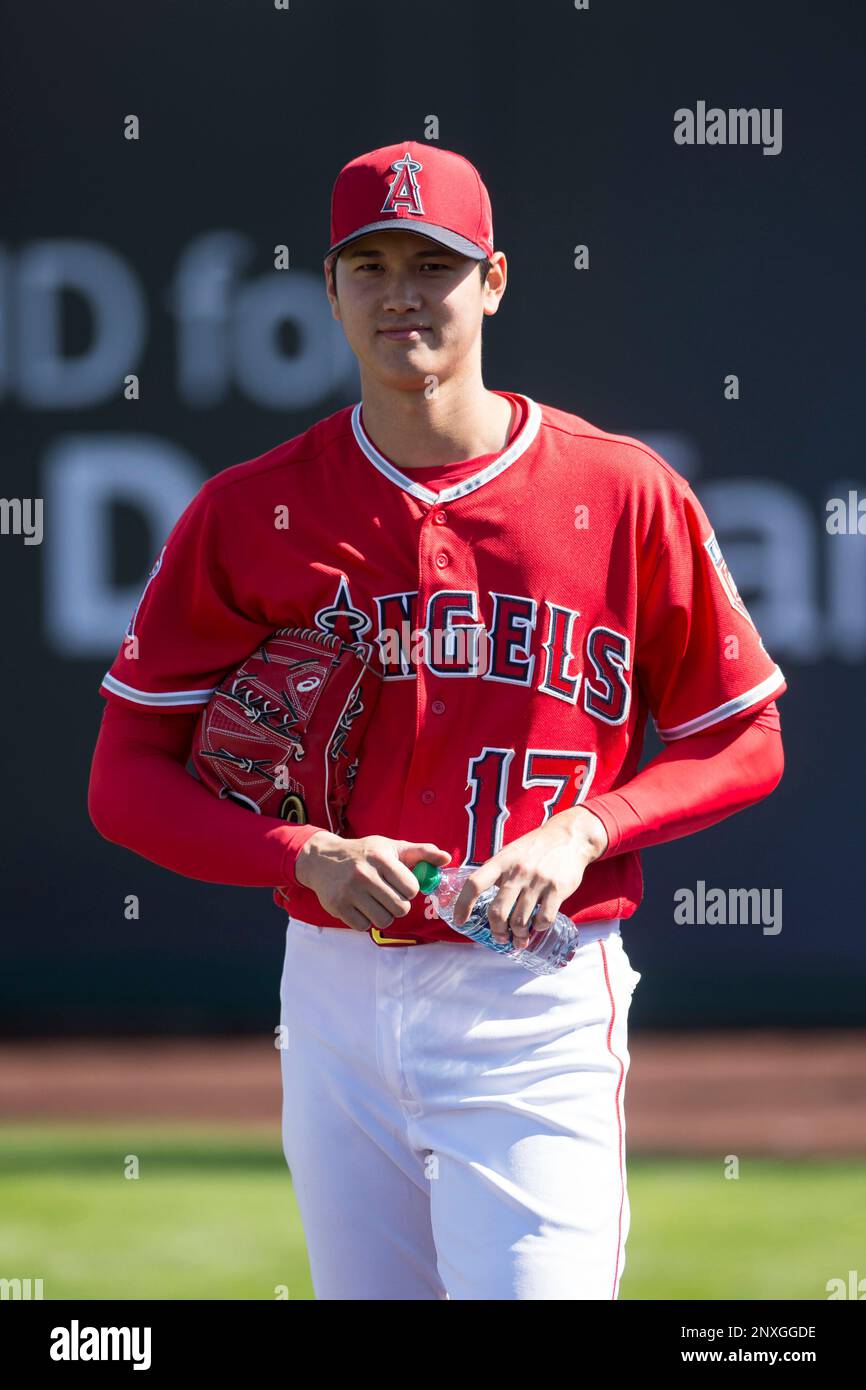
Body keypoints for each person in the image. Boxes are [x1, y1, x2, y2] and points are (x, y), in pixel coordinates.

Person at [88, 139, 787, 1300]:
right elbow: (125, 775)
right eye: (368, 264)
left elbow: (744, 739)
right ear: (328, 289)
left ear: (495, 280)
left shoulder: (619, 492)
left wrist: (585, 831)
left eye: (435, 262)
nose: (401, 291)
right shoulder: (250, 511)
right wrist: (299, 853)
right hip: (331, 989)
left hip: (534, 994)